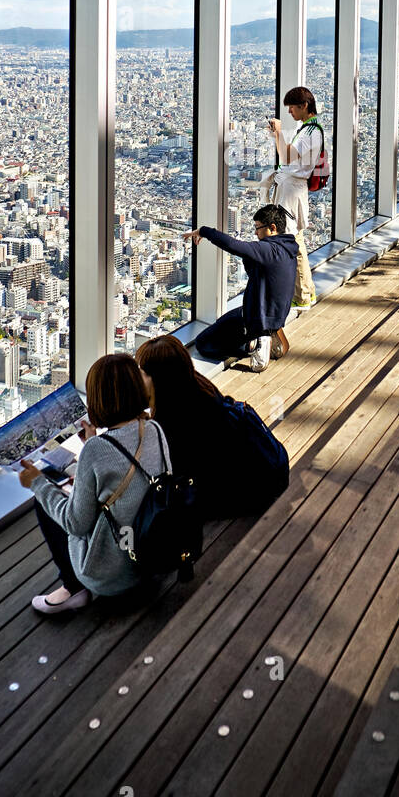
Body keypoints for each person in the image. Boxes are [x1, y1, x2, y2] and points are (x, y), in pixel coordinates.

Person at [19, 353, 172, 614]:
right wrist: (92, 442)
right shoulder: (154, 429)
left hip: (112, 576)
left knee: (46, 500)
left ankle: (74, 588)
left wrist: (37, 483)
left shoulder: (97, 451)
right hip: (155, 557)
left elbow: (76, 524)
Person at [136, 334, 285, 518]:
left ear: (158, 378)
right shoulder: (198, 388)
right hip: (255, 478)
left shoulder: (173, 419)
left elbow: (165, 471)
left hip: (238, 495)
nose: (136, 378)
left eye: (141, 373)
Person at [185, 204, 298, 371]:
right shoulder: (288, 248)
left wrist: (204, 231)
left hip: (257, 318)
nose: (255, 233)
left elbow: (233, 245)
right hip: (272, 312)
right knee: (222, 322)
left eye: (258, 228)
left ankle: (254, 344)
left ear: (272, 228)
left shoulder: (268, 250)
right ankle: (267, 332)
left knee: (203, 343)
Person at [264, 86, 324, 309]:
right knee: (292, 239)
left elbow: (287, 156)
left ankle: (304, 294)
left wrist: (278, 132)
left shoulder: (310, 132)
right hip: (291, 188)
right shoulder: (310, 130)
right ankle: (302, 292)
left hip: (291, 191)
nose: (289, 112)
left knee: (293, 240)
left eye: (292, 108)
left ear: (304, 106)